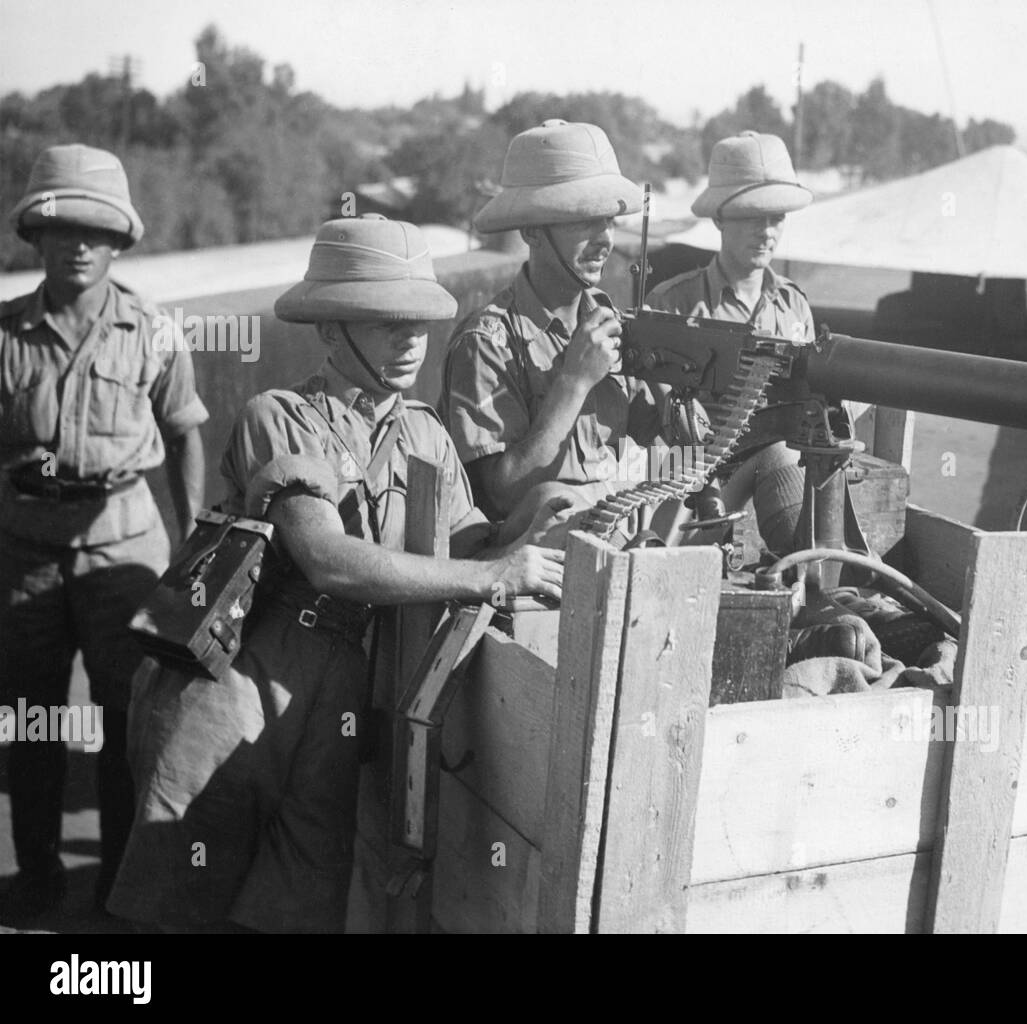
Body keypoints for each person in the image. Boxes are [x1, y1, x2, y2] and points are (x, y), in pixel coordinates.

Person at [108, 215, 567, 932]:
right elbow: (326, 560)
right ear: (330, 329)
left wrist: (536, 515)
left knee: (297, 909)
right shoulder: (281, 417)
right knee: (183, 895)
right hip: (242, 680)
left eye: (418, 319)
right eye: (385, 320)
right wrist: (495, 577)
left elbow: (470, 543)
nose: (411, 337)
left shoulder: (425, 434)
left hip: (344, 701)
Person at [0, 144, 207, 919]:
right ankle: (38, 876)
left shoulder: (153, 331)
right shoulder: (7, 333)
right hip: (24, 547)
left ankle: (119, 885)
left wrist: (191, 546)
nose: (78, 244)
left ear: (119, 243)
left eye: (95, 231)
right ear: (35, 239)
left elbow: (185, 431)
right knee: (31, 716)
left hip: (126, 544)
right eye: (61, 229)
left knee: (131, 719)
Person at [648, 131, 866, 552]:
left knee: (790, 454)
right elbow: (649, 424)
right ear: (719, 219)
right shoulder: (674, 305)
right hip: (691, 486)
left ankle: (810, 578)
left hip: (778, 469)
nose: (766, 232)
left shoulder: (792, 306)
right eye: (752, 217)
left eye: (777, 218)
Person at [440, 120, 662, 531]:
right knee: (554, 501)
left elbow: (658, 448)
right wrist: (574, 382)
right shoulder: (487, 343)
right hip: (535, 559)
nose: (605, 239)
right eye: (584, 220)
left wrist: (678, 398)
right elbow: (501, 496)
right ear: (531, 231)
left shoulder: (608, 322)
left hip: (619, 528)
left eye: (610, 221)